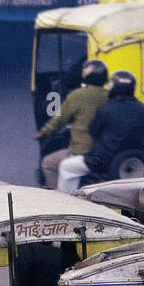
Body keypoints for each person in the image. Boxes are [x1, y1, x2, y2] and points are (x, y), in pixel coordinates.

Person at [57, 69, 144, 193]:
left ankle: (67, 202)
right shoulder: (142, 108)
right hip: (137, 159)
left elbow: (93, 131)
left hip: (103, 161)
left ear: (113, 86)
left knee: (66, 167)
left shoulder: (106, 108)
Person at [36, 58, 108, 190]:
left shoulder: (77, 95)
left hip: (80, 151)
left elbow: (59, 119)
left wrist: (43, 132)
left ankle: (57, 198)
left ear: (87, 76)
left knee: (48, 163)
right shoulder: (108, 96)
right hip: (102, 152)